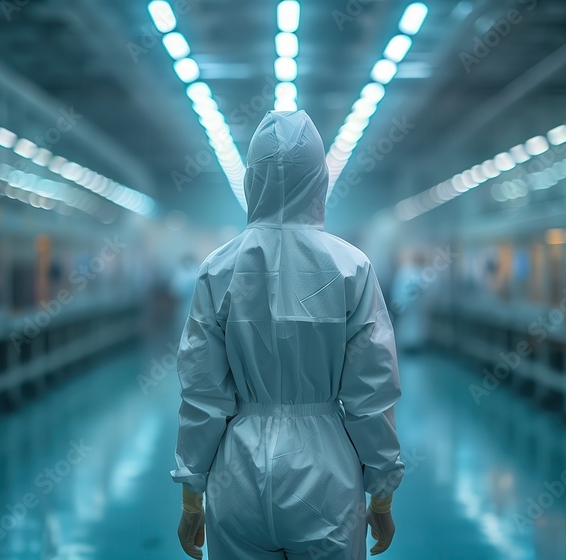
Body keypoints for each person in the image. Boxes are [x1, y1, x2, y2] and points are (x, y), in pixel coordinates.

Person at [171, 110, 404, 559]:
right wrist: (382, 490)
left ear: (251, 180)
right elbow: (370, 394)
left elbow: (201, 394)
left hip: (234, 473)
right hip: (326, 479)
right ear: (320, 179)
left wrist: (190, 492)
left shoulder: (218, 269)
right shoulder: (351, 267)